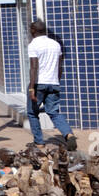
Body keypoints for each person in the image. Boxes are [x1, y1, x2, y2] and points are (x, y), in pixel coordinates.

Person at [27, 19, 77, 150]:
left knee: (32, 113)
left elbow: (33, 67)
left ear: (33, 31)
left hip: (39, 84)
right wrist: (57, 80)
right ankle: (68, 134)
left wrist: (32, 87)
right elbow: (59, 65)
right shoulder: (56, 44)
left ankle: (39, 142)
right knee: (54, 112)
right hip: (53, 82)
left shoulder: (34, 45)